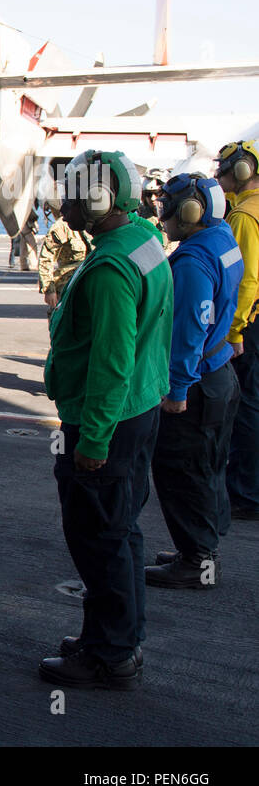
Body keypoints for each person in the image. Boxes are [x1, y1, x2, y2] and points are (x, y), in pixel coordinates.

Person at [38, 149, 172, 690]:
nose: (62, 203)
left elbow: (112, 360)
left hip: (107, 424)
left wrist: (92, 439)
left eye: (71, 193)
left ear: (96, 198)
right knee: (122, 532)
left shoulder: (112, 266)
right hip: (139, 411)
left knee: (98, 536)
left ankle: (111, 654)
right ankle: (114, 635)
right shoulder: (142, 240)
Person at [145, 174, 241, 588]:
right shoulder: (223, 239)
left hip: (197, 383)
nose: (162, 213)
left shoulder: (192, 261)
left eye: (169, 204)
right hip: (221, 374)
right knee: (210, 465)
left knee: (182, 471)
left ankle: (197, 563)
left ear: (192, 210)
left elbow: (188, 332)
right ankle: (200, 547)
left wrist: (177, 391)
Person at [219, 140, 259, 523]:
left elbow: (245, 281)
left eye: (227, 168)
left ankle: (246, 493)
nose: (221, 175)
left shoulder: (245, 216)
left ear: (244, 170)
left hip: (252, 323)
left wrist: (234, 331)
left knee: (246, 407)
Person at [37, 201, 91, 318]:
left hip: (89, 286)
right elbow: (46, 257)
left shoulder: (94, 224)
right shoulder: (62, 226)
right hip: (66, 286)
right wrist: (49, 289)